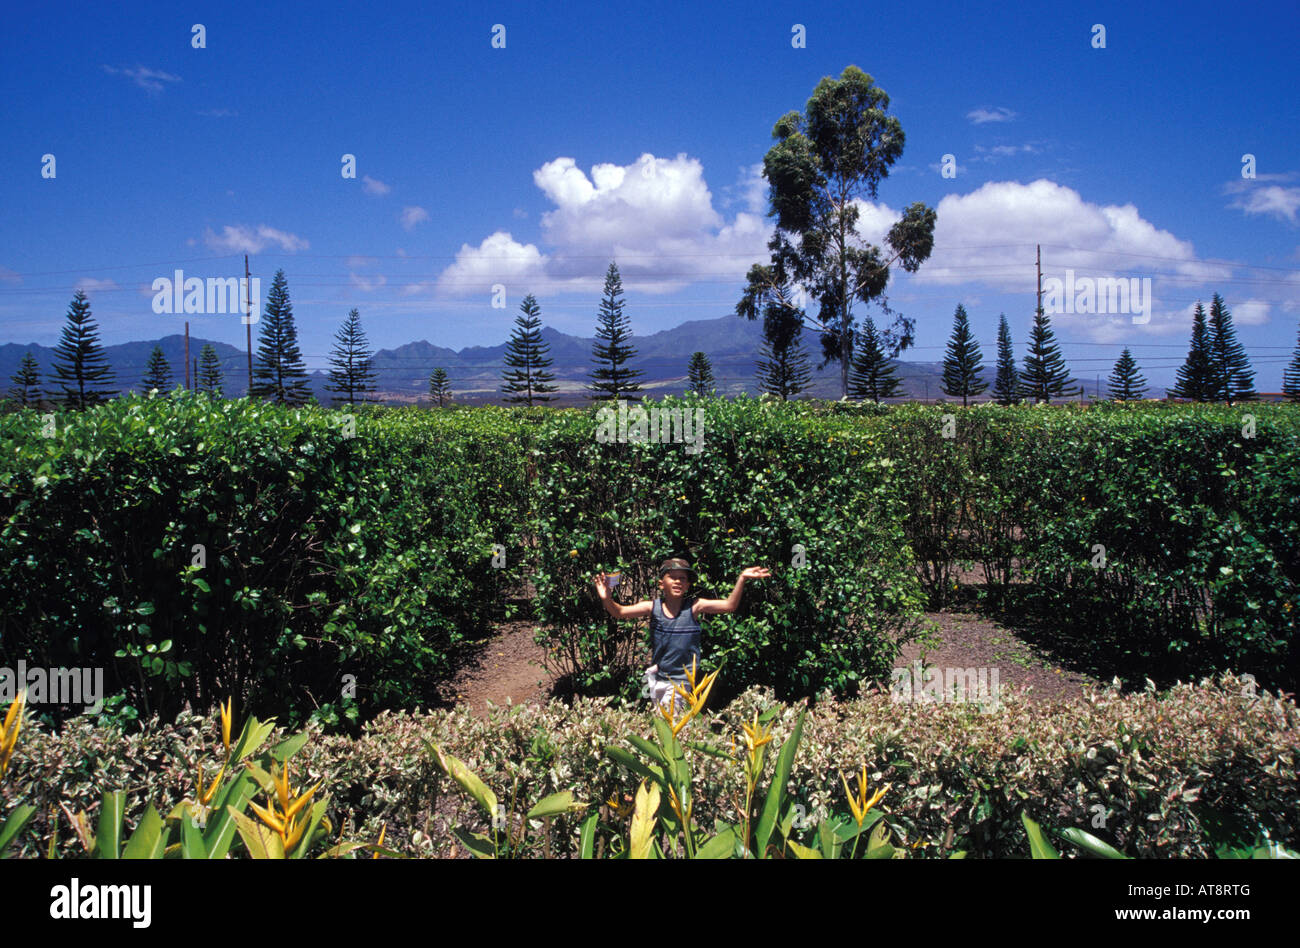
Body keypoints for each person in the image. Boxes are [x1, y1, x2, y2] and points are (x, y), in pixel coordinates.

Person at [593, 558, 771, 715]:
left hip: (682, 682)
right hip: (658, 678)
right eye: (672, 577)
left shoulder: (695, 607)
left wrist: (742, 578)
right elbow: (620, 612)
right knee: (664, 724)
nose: (678, 581)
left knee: (670, 723)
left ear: (687, 585)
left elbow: (729, 605)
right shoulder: (652, 608)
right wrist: (606, 598)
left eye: (682, 578)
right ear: (661, 583)